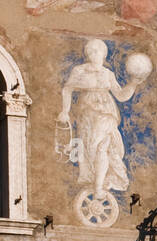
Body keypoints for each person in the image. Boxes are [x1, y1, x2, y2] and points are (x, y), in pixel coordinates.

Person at [58, 38, 145, 197]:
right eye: (90, 50)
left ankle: (98, 186)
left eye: (97, 50)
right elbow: (67, 89)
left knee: (101, 145)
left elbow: (120, 95)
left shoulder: (108, 74)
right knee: (90, 149)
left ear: (104, 54)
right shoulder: (79, 71)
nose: (94, 53)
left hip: (107, 114)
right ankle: (96, 181)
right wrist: (65, 111)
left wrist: (133, 84)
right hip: (87, 115)